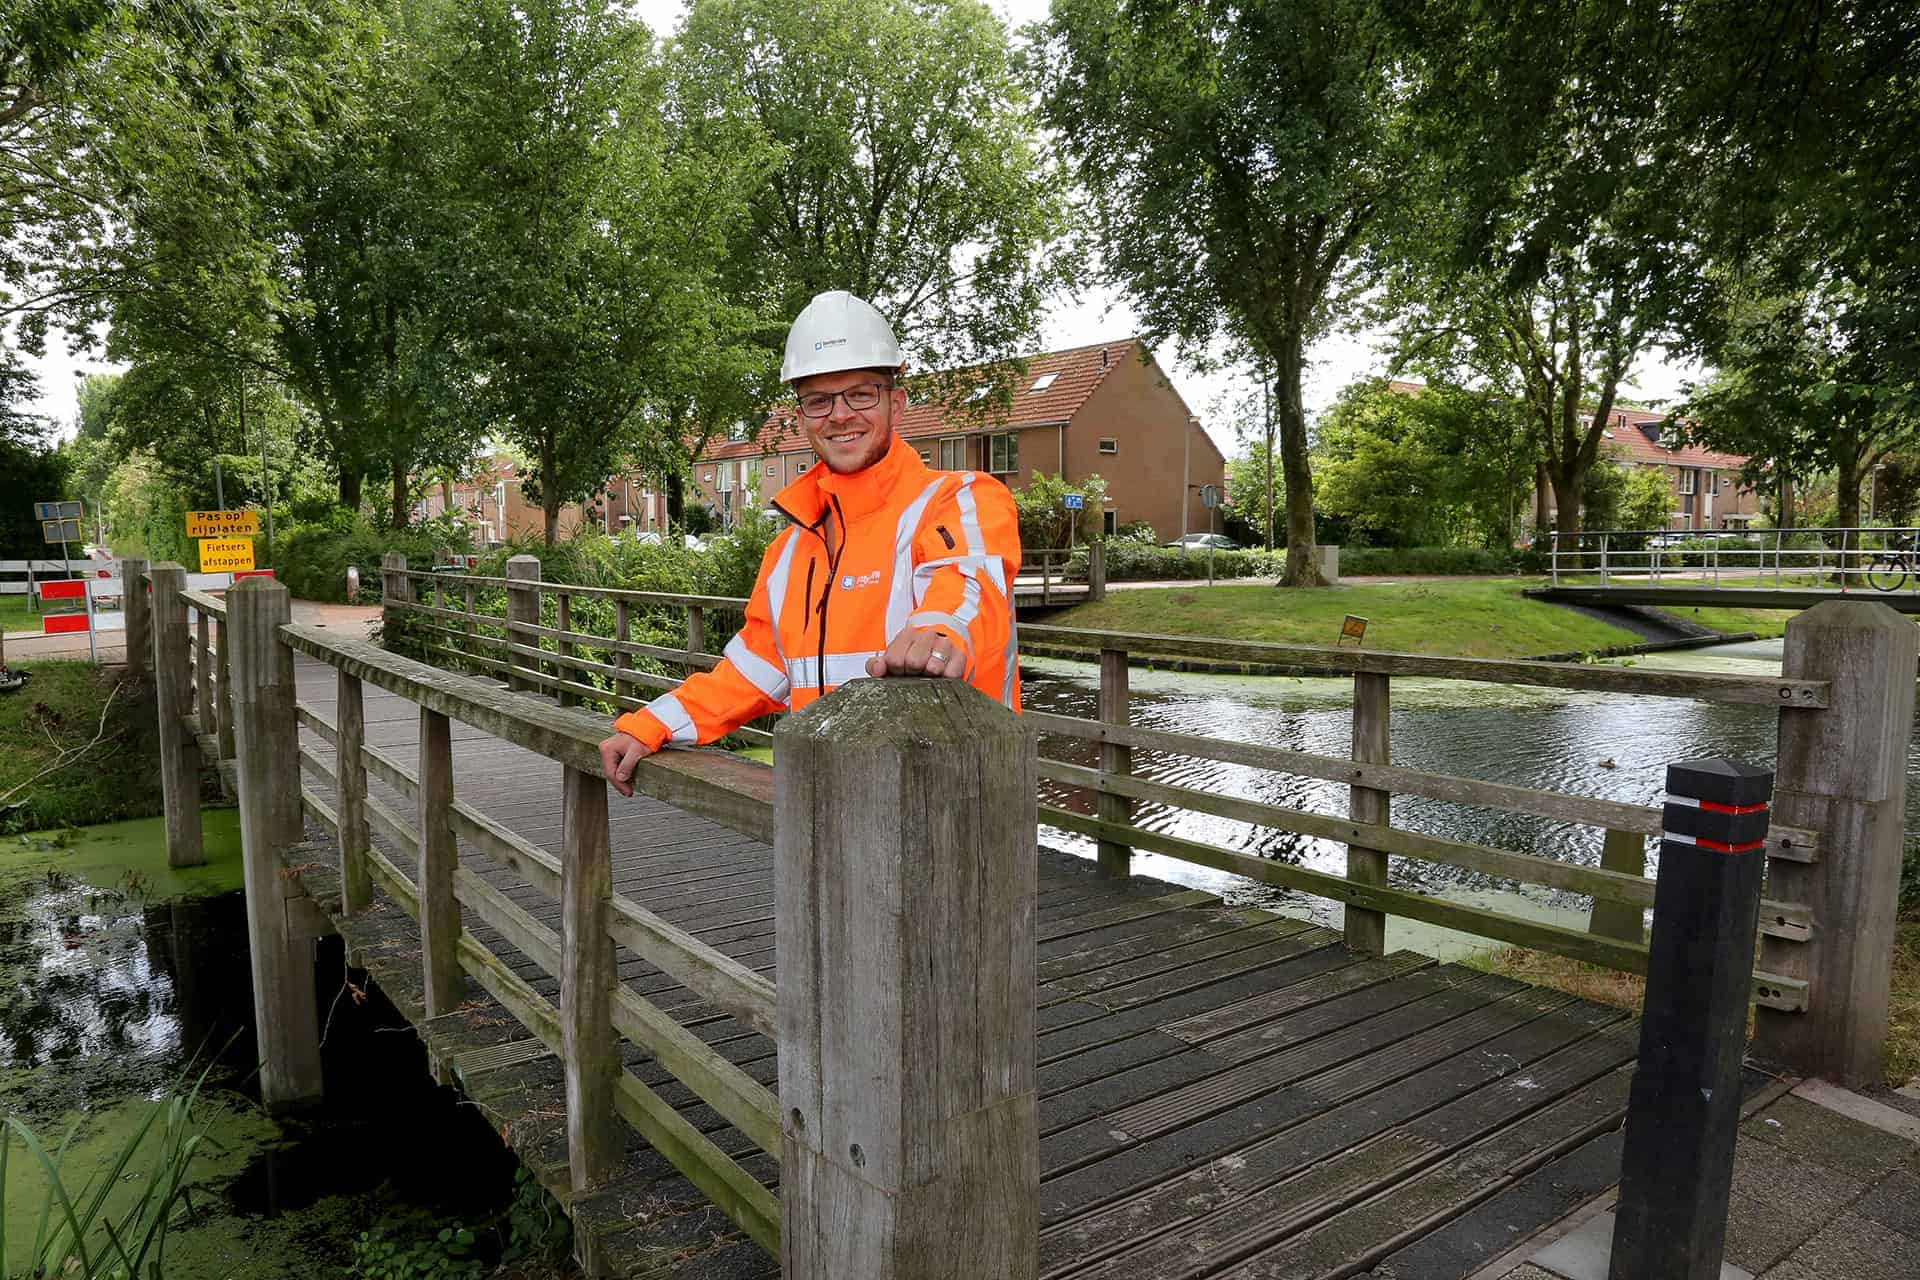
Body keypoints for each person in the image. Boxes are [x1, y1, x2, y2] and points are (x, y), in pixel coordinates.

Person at [597, 290, 1022, 796]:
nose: (839, 415)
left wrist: (940, 630)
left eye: (861, 394)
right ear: (801, 417)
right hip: (822, 809)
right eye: (819, 400)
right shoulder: (788, 554)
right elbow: (750, 674)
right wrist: (650, 725)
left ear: (896, 403)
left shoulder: (961, 500)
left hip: (952, 808)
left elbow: (969, 584)